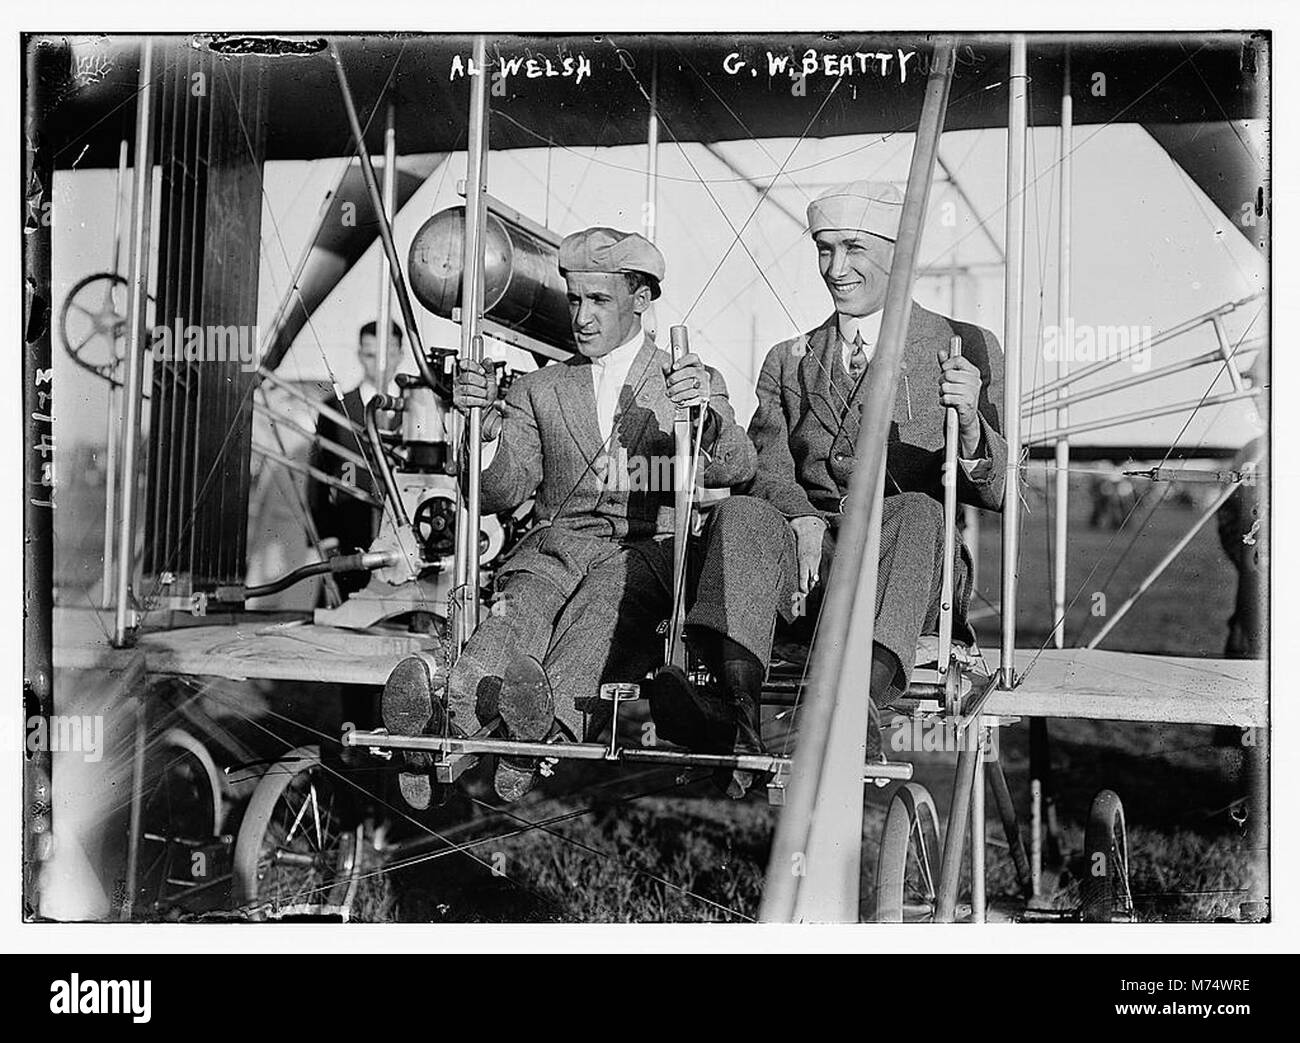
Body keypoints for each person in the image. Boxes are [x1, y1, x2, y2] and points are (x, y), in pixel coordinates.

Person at [381, 227, 793, 807]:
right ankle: (437, 730)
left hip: (646, 552)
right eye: (575, 300)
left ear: (641, 300)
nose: (582, 317)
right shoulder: (539, 388)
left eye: (599, 301)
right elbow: (503, 490)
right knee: (514, 613)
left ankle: (541, 726)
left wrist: (704, 416)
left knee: (603, 610)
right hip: (556, 546)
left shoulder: (685, 381)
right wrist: (484, 440)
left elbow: (737, 466)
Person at [742, 180, 1008, 758]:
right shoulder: (788, 359)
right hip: (812, 575)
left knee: (915, 509)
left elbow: (1001, 491)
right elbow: (766, 467)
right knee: (742, 514)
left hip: (909, 572)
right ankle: (732, 714)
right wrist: (800, 519)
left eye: (854, 248)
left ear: (901, 253)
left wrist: (968, 427)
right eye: (824, 248)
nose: (836, 268)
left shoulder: (966, 345)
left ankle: (859, 698)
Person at [306, 320, 404, 596]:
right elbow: (317, 479)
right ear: (360, 355)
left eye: (387, 355)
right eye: (371, 355)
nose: (380, 365)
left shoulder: (418, 411)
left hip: (404, 543)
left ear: (401, 354)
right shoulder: (336, 408)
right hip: (350, 541)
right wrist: (325, 537)